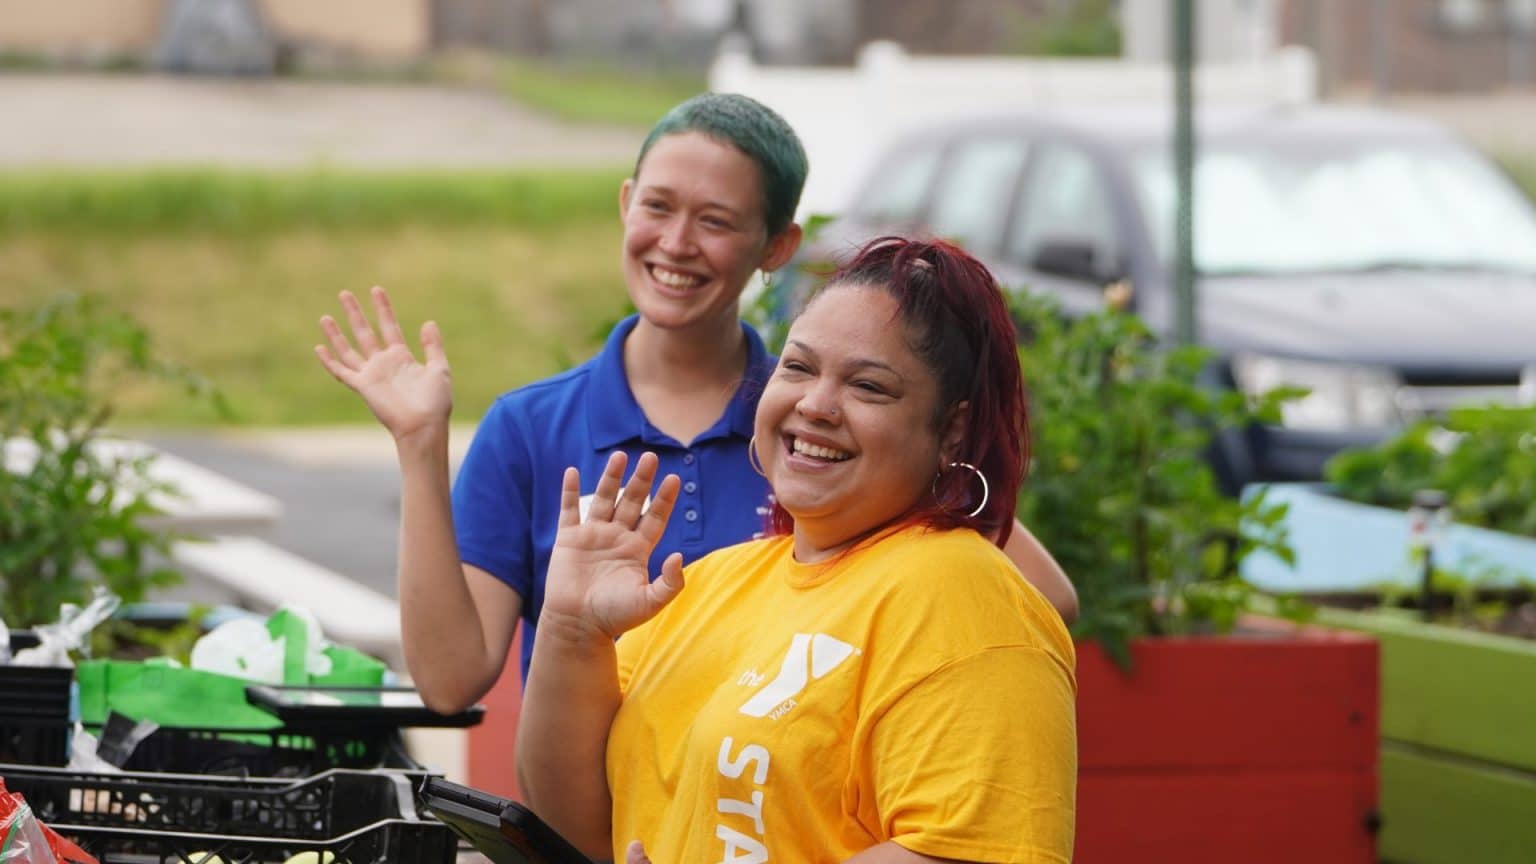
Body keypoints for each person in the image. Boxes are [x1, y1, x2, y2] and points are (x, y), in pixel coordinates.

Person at [314, 92, 1077, 716]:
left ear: (777, 246)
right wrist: (419, 444)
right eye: (658, 206)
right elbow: (450, 681)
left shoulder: (820, 428)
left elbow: (1046, 600)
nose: (676, 243)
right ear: (624, 204)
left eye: (715, 220)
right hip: (581, 822)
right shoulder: (530, 429)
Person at [517, 237, 1077, 863]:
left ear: (950, 430)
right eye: (798, 368)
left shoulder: (966, 598)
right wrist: (571, 629)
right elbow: (579, 829)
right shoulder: (710, 583)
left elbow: (968, 853)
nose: (814, 405)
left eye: (868, 386)